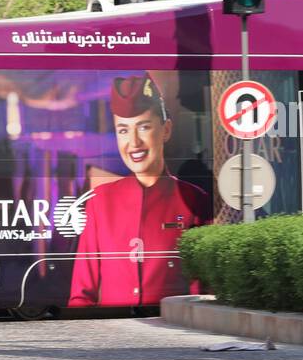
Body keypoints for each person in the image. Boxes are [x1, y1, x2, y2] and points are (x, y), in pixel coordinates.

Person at [68, 75, 210, 307]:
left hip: (173, 333)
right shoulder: (100, 203)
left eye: (143, 127)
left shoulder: (193, 200)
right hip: (113, 334)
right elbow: (81, 293)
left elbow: (201, 291)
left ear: (166, 130)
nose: (133, 142)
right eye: (123, 130)